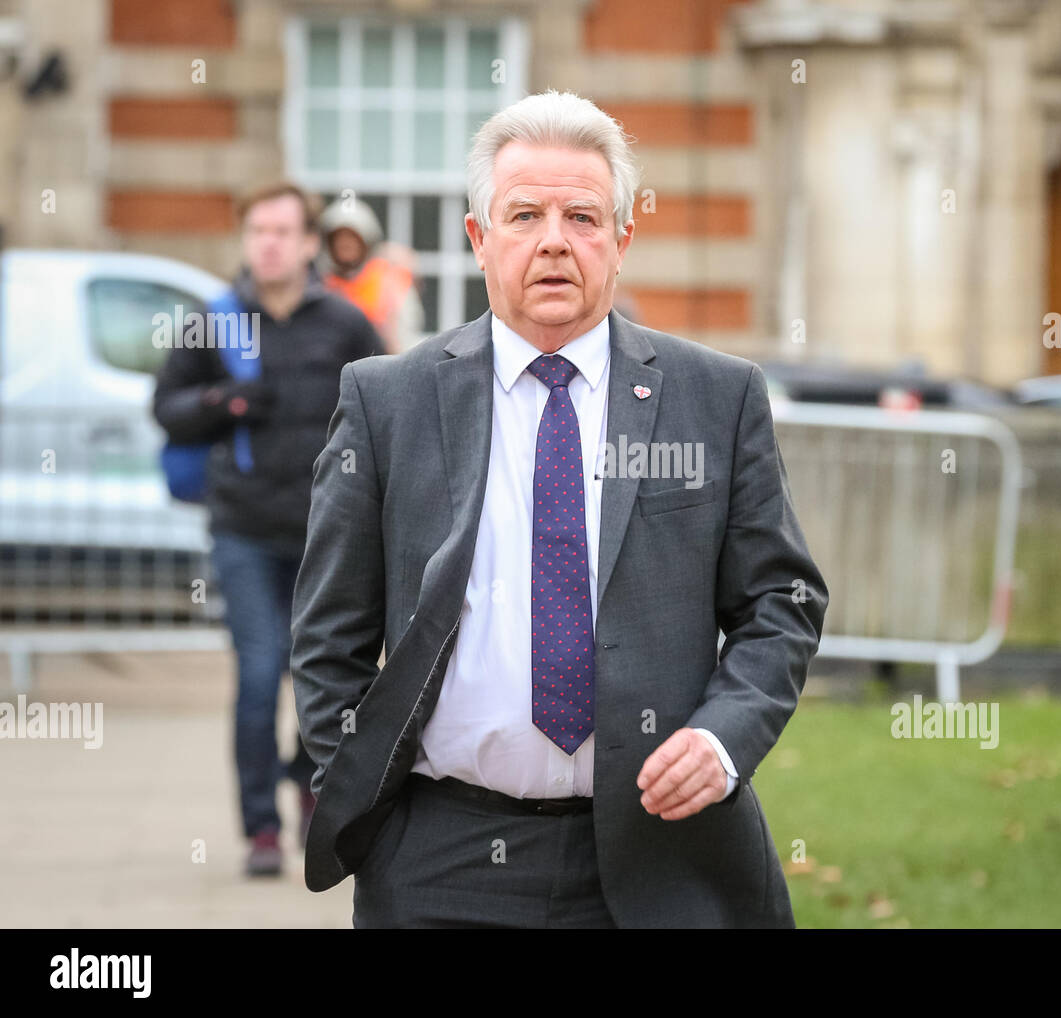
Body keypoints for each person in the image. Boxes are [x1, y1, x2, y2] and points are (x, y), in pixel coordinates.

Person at [290, 90, 828, 927]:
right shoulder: (385, 402)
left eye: (582, 216)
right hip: (439, 859)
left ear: (621, 240)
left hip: (665, 857)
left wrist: (725, 739)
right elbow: (330, 636)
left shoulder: (715, 398)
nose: (553, 241)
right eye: (524, 215)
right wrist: (364, 808)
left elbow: (781, 604)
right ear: (479, 239)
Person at [153, 182, 385, 878]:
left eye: (283, 231)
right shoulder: (215, 320)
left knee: (329, 678)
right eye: (258, 230)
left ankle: (310, 781)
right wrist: (223, 400)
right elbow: (166, 407)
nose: (269, 243)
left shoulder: (345, 324)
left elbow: (390, 412)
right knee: (259, 674)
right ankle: (260, 829)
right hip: (244, 530)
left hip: (328, 533)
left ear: (311, 243)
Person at [318, 196, 425, 353]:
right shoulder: (320, 284)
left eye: (352, 238)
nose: (345, 244)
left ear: (367, 240)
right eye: (339, 238)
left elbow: (406, 338)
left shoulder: (389, 281)